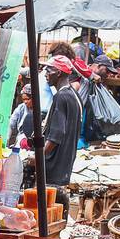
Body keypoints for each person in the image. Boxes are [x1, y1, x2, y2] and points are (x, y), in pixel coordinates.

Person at [41, 56, 85, 187]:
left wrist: (38, 157)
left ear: (59, 73)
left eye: (49, 70)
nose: (45, 74)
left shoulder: (61, 97)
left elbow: (56, 134)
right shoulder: (74, 95)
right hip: (65, 166)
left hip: (54, 166)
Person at [8, 84, 35, 150]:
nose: (25, 102)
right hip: (21, 139)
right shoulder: (21, 108)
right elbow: (11, 124)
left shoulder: (40, 110)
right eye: (23, 99)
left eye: (27, 99)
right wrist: (7, 140)